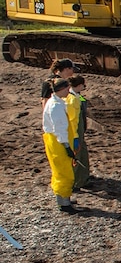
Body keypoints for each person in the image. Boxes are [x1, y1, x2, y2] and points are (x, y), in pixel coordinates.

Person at [42, 79, 77, 213]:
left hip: (56, 140)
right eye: (67, 89)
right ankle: (64, 204)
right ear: (62, 88)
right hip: (58, 141)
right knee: (64, 172)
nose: (69, 91)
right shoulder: (55, 106)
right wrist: (67, 147)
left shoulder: (56, 102)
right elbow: (60, 129)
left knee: (61, 170)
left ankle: (64, 197)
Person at [66, 74, 91, 190]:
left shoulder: (77, 96)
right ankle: (75, 182)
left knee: (83, 154)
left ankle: (83, 179)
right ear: (80, 85)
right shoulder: (71, 98)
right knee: (77, 155)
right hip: (75, 130)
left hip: (80, 129)